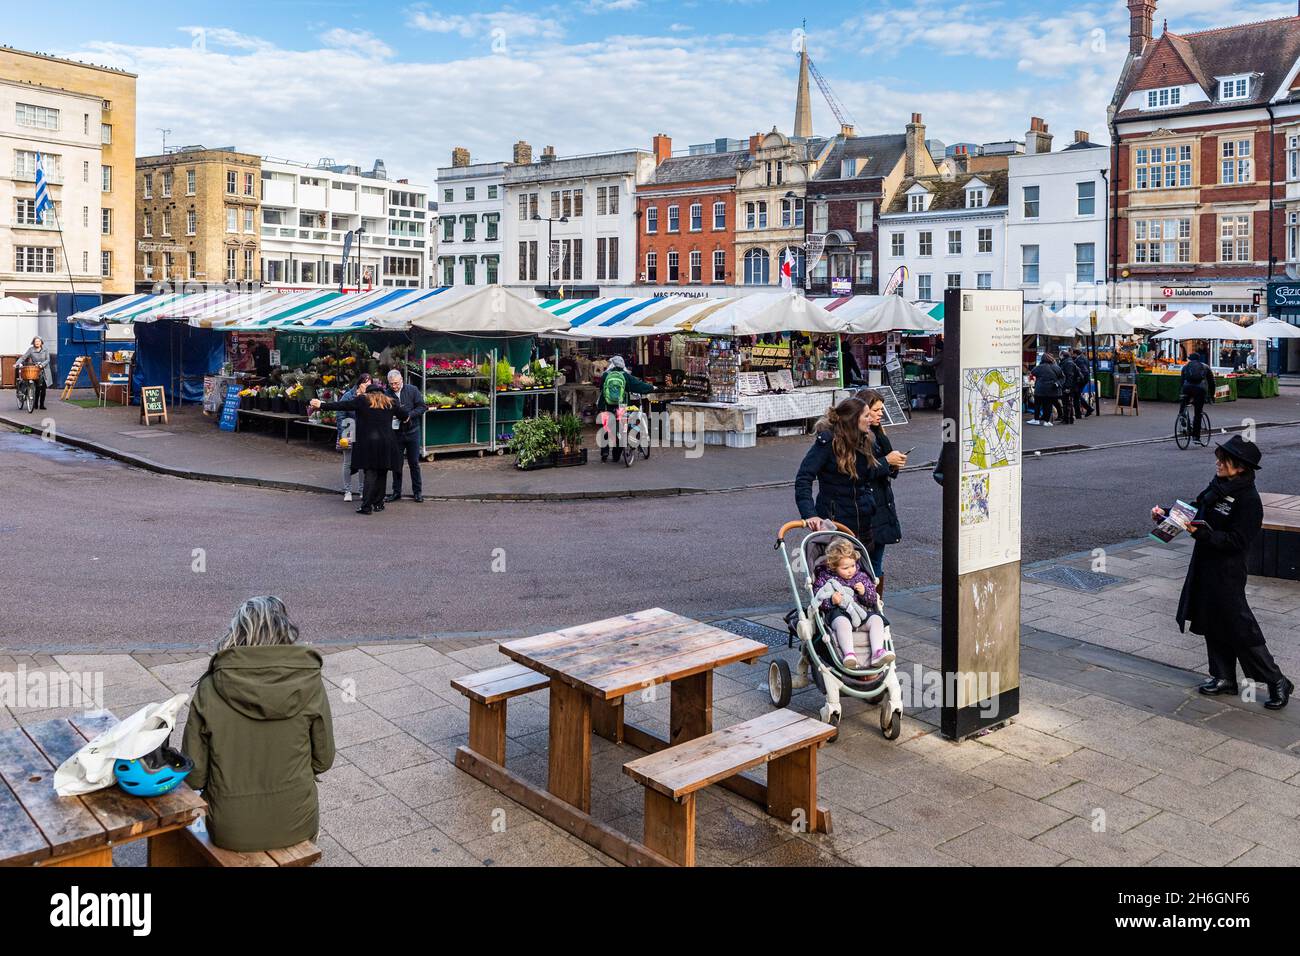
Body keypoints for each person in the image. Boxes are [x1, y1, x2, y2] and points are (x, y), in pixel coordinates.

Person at [181, 596, 335, 852]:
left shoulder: (211, 687)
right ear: (286, 630)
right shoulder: (309, 682)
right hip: (297, 822)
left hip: (230, 828)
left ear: (237, 632)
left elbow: (195, 776)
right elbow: (324, 760)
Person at [1151, 436, 1292, 710]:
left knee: (1240, 626)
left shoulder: (1249, 500)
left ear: (1239, 466)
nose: (1217, 462)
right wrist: (1167, 514)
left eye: (1223, 459)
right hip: (1205, 564)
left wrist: (1204, 535)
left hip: (1227, 571)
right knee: (1211, 620)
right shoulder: (1217, 487)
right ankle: (1224, 677)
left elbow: (1239, 541)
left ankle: (1277, 680)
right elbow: (1195, 510)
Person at [796, 396, 903, 553]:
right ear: (854, 419)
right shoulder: (827, 441)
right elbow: (804, 478)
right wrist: (810, 515)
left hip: (864, 520)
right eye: (866, 416)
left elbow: (866, 473)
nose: (870, 419)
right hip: (836, 521)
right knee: (838, 570)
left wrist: (887, 464)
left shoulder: (865, 439)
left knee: (864, 573)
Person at [310, 382, 402, 515]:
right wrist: (406, 419)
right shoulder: (390, 402)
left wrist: (322, 405)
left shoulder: (362, 400)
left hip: (368, 444)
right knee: (382, 473)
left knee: (370, 473)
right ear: (381, 392)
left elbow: (342, 405)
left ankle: (366, 506)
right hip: (386, 444)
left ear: (368, 393)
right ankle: (378, 504)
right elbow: (404, 414)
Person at [853, 388, 905, 590]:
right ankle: (868, 605)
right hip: (867, 508)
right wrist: (886, 462)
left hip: (881, 506)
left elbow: (883, 469)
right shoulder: (858, 437)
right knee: (864, 562)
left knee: (876, 563)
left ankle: (875, 606)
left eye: (880, 409)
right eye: (876, 410)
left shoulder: (878, 434)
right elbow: (858, 471)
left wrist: (893, 464)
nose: (880, 414)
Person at [813, 538, 892, 669]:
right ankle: (849, 654)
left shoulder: (861, 576)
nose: (850, 570)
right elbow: (817, 599)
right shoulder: (826, 578)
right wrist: (831, 601)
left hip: (860, 613)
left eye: (853, 566)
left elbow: (872, 600)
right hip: (838, 614)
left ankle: (877, 652)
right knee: (842, 623)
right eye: (845, 568)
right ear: (833, 566)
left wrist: (864, 592)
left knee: (877, 619)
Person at [596, 355, 653, 463]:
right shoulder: (625, 375)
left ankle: (604, 452)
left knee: (606, 428)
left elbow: (600, 388)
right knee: (619, 428)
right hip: (620, 406)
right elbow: (638, 385)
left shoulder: (605, 375)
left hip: (605, 406)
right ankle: (616, 455)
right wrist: (651, 388)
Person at [384, 369, 427, 503]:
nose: (394, 386)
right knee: (397, 464)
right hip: (396, 434)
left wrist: (410, 415)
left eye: (396, 383)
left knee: (414, 463)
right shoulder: (386, 394)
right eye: (392, 384)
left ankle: (417, 492)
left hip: (412, 431)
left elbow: (422, 407)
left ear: (402, 380)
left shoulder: (412, 390)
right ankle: (396, 492)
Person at [335, 373, 370, 503]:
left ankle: (361, 490)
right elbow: (340, 414)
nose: (368, 387)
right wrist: (342, 434)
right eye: (366, 385)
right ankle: (347, 491)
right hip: (349, 429)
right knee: (348, 462)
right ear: (360, 384)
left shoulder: (369, 397)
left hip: (364, 432)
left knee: (362, 463)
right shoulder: (348, 396)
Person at [1179, 351, 1215, 442]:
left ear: (1190, 359)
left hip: (1187, 388)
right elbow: (1212, 382)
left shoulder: (1185, 367)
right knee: (1198, 413)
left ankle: (1182, 417)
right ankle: (1196, 437)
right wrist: (1212, 395)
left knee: (1184, 404)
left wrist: (1182, 393)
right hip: (1200, 390)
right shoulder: (1205, 367)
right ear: (1199, 359)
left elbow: (1182, 381)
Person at [16, 336, 52, 411]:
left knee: (43, 389)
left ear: (41, 342)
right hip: (35, 370)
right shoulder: (31, 350)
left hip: (45, 370)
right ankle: (35, 404)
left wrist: (42, 364)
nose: (37, 343)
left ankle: (42, 405)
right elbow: (23, 357)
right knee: (37, 388)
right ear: (33, 342)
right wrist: (17, 363)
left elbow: (48, 359)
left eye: (39, 341)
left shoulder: (45, 349)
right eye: (36, 341)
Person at [1028, 352, 1063, 426]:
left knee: (1037, 404)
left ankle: (1036, 419)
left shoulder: (1039, 367)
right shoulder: (1056, 367)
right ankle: (1047, 421)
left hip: (1040, 389)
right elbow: (1062, 377)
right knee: (1048, 405)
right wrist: (1057, 383)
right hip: (1052, 389)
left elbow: (1033, 372)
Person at [1055, 349, 1077, 424]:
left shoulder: (1067, 363)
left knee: (1066, 402)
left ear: (1062, 355)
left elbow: (1069, 376)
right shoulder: (1068, 362)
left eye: (1060, 355)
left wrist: (1067, 387)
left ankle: (1067, 419)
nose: (1059, 356)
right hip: (1069, 385)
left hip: (1068, 386)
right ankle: (1069, 419)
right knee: (1067, 402)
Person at [1071, 349, 1092, 418]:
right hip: (1084, 380)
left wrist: (1079, 379)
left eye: (1072, 354)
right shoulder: (1084, 358)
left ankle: (1080, 413)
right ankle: (1086, 410)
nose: (1072, 355)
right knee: (1077, 395)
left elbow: (1084, 371)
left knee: (1076, 396)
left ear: (1075, 354)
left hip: (1081, 380)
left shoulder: (1079, 360)